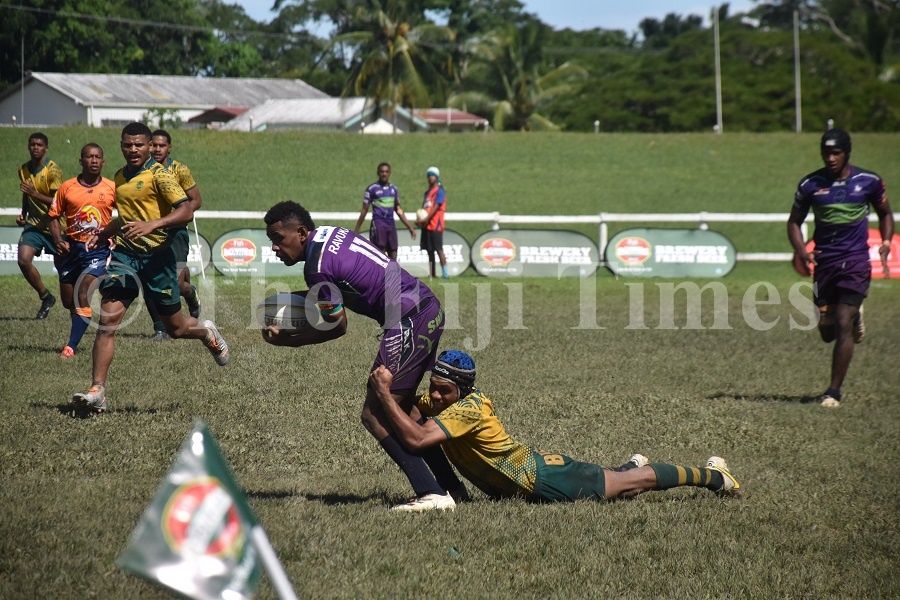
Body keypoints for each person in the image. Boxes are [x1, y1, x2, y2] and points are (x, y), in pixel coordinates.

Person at [262, 200, 467, 511]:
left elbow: (337, 326)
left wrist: (290, 341)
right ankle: (452, 489)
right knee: (406, 410)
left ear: (301, 233)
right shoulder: (332, 234)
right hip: (426, 307)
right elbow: (342, 287)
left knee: (375, 413)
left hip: (408, 321)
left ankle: (431, 493)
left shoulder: (315, 267)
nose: (275, 248)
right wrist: (303, 302)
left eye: (278, 239)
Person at [370, 350, 742, 504]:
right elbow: (413, 415)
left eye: (442, 391)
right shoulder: (447, 403)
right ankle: (626, 467)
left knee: (635, 483)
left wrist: (384, 393)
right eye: (432, 388)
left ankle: (715, 477)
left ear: (461, 390)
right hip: (535, 477)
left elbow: (416, 438)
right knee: (613, 487)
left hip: (545, 479)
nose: (433, 397)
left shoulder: (468, 409)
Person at [71, 122, 229, 414]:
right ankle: (98, 390)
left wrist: (153, 225)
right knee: (107, 320)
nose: (133, 150)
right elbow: (125, 217)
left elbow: (185, 209)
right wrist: (104, 233)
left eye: (139, 145)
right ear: (121, 145)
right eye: (127, 145)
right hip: (126, 256)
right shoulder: (119, 176)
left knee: (177, 328)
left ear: (148, 147)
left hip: (159, 257)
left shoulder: (161, 175)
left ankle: (207, 333)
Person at [788, 128, 894, 409]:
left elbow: (885, 213)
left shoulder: (868, 181)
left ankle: (833, 392)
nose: (830, 158)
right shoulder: (810, 184)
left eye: (836, 152)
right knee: (827, 331)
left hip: (855, 262)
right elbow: (793, 222)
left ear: (847, 152)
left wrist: (885, 241)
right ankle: (853, 314)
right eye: (826, 152)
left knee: (843, 320)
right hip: (825, 263)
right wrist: (802, 252)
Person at [47, 143, 116, 359]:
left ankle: (71, 347)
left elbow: (125, 215)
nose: (93, 160)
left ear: (103, 162)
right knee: (70, 301)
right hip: (71, 249)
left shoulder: (112, 187)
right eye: (89, 157)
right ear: (81, 161)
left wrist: (113, 236)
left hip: (98, 249)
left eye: (97, 157)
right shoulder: (67, 187)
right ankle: (85, 316)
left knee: (83, 291)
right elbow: (53, 216)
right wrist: (58, 239)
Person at [144, 129, 203, 339]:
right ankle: (160, 328)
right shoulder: (142, 171)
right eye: (154, 145)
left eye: (161, 145)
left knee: (176, 285)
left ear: (169, 147)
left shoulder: (180, 170)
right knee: (149, 281)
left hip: (176, 233)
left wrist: (175, 218)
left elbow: (196, 200)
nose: (157, 149)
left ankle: (191, 293)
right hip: (149, 233)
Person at [17, 132, 63, 319]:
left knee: (63, 270)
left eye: (39, 145)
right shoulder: (23, 169)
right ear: (28, 147)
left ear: (46, 148)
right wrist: (23, 213)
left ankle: (74, 307)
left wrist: (35, 194)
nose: (36, 147)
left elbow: (57, 202)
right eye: (32, 144)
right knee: (23, 260)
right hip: (34, 225)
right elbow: (26, 194)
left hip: (55, 226)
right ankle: (46, 296)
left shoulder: (53, 171)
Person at [353, 162, 416, 260]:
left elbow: (398, 210)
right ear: (378, 173)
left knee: (393, 251)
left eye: (386, 172)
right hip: (378, 224)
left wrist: (410, 227)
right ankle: (380, 275)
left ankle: (392, 276)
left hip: (391, 225)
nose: (384, 174)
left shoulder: (394, 189)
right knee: (380, 252)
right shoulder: (372, 189)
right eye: (382, 172)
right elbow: (364, 210)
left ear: (390, 173)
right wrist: (356, 230)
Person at [416, 166, 448, 279]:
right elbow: (424, 209)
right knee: (429, 251)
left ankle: (445, 273)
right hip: (427, 226)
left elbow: (436, 207)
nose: (430, 178)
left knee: (439, 249)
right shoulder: (427, 193)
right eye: (429, 176)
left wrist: (425, 219)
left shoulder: (440, 191)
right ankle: (432, 273)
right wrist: (420, 220)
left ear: (437, 177)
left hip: (436, 225)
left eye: (432, 176)